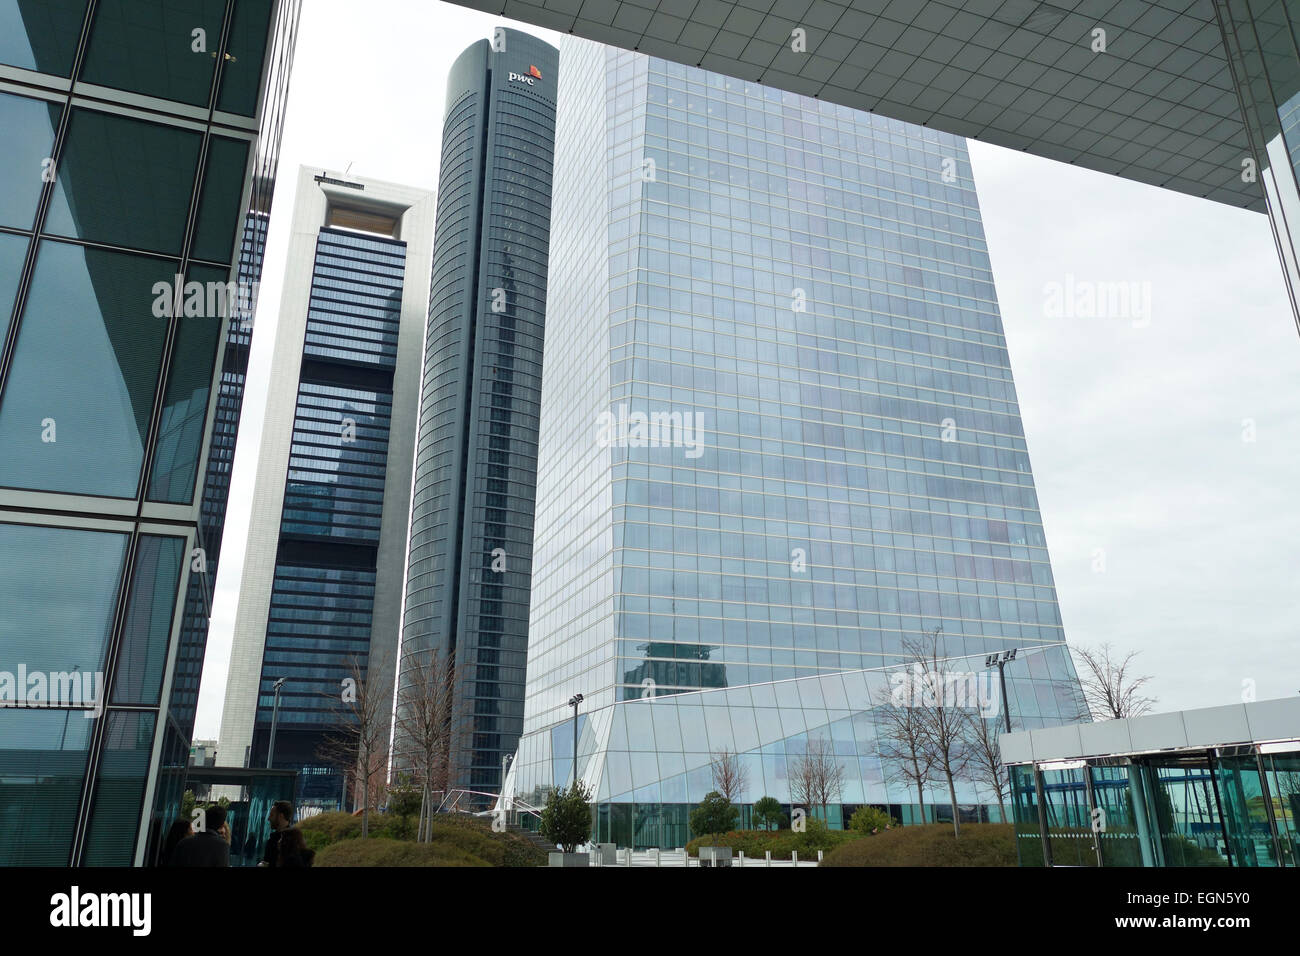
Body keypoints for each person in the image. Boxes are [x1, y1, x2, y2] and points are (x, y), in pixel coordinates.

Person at [259, 800, 294, 868]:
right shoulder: (272, 839)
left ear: (281, 816)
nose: (269, 819)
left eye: (272, 815)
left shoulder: (292, 841)